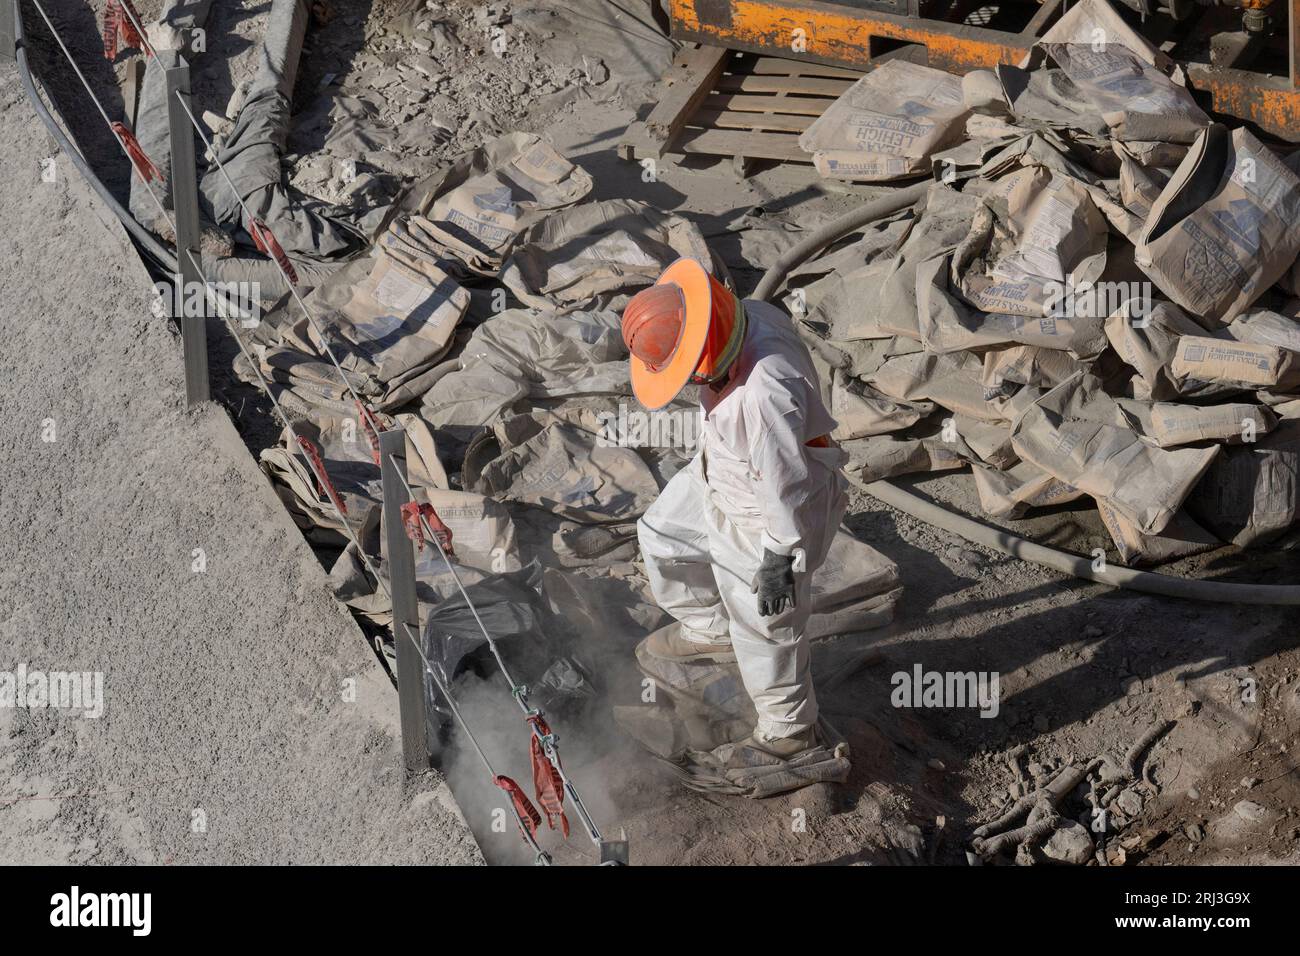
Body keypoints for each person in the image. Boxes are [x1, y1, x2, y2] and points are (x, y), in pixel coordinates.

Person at [623, 257, 848, 762]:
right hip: (724, 471)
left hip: (768, 512)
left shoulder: (766, 392)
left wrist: (778, 560)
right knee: (663, 534)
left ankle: (789, 731)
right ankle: (708, 630)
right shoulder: (748, 314)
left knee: (768, 624)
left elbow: (786, 484)